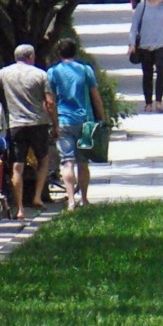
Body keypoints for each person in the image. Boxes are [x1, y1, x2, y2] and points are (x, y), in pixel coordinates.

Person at [0, 44, 55, 220]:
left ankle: (19, 208)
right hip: (38, 123)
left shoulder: (4, 73)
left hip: (16, 125)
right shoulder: (41, 74)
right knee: (43, 160)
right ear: (31, 57)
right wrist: (55, 124)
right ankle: (36, 196)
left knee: (17, 166)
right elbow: (49, 102)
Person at [46, 37, 105, 210]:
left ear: (59, 53)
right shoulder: (85, 70)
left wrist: (52, 122)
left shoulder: (53, 72)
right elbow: (96, 97)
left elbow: (50, 100)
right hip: (85, 122)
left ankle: (71, 200)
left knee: (67, 161)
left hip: (63, 121)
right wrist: (102, 118)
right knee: (83, 162)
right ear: (75, 51)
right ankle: (84, 198)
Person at [128, 0, 163, 112]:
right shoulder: (141, 7)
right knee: (147, 75)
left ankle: (159, 101)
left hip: (162, 45)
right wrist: (132, 43)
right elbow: (134, 27)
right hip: (145, 46)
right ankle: (148, 102)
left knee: (161, 73)